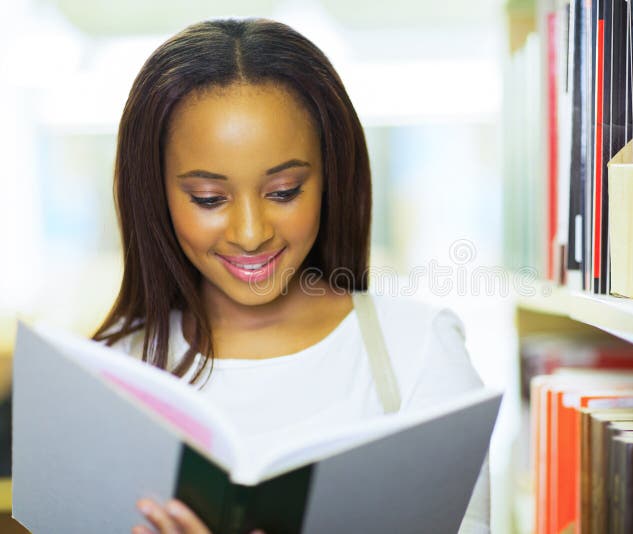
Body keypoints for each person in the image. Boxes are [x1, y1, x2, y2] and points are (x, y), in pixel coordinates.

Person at [91, 18, 490, 534]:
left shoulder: (418, 350)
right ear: (156, 194)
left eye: (283, 191)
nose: (252, 233)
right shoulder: (110, 374)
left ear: (329, 178)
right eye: (209, 199)